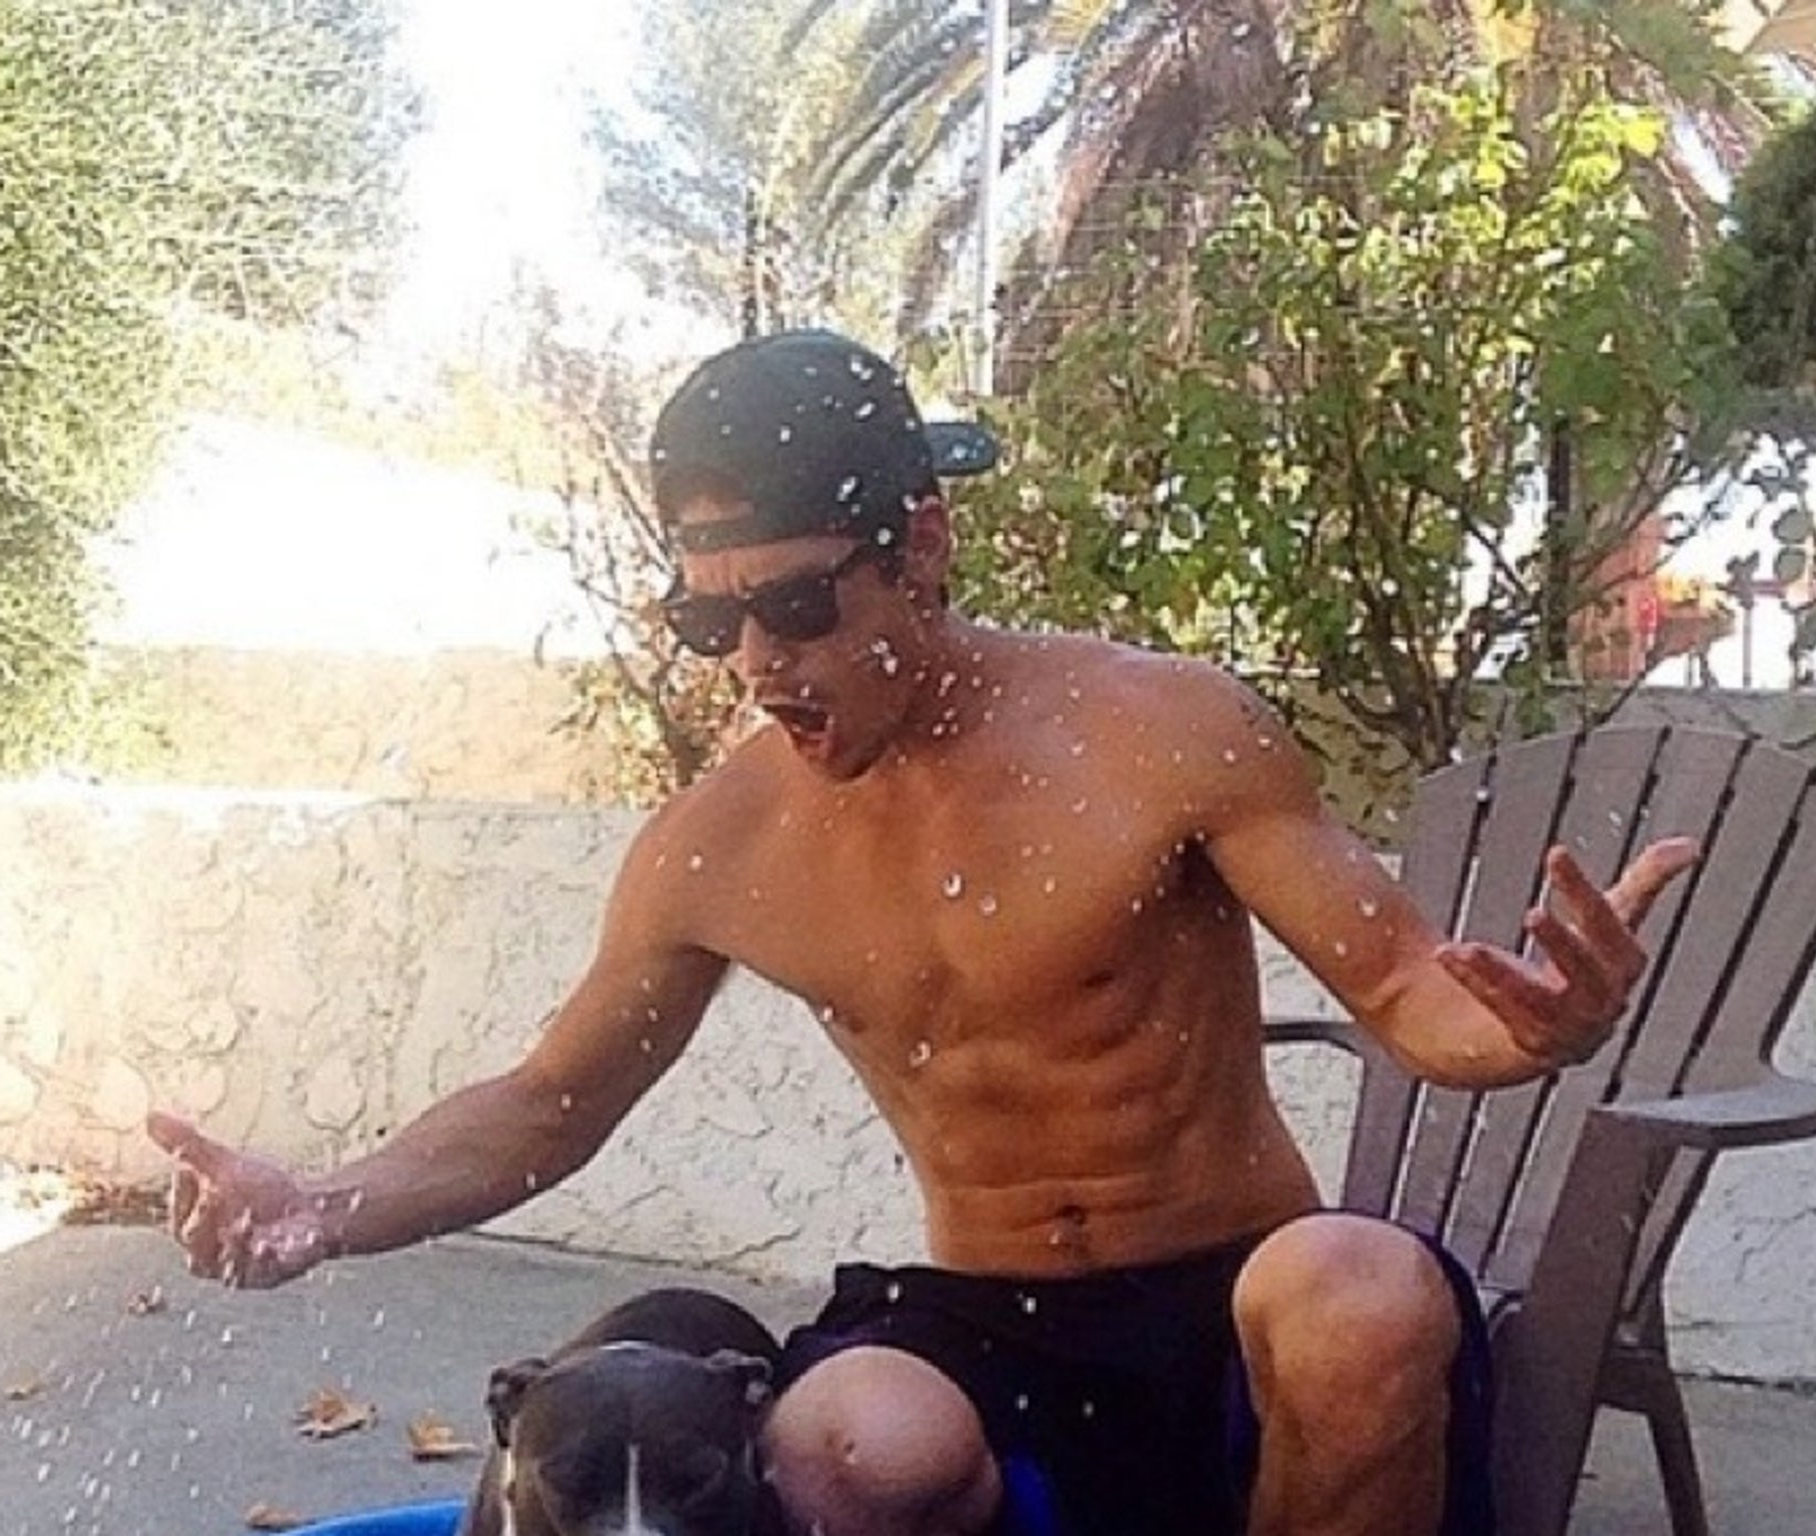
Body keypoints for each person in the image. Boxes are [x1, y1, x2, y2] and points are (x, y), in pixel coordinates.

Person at [149, 328, 1697, 1536]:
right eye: (711, 620)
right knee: (845, 1448)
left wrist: (1531, 1024)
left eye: (799, 607)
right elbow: (551, 1105)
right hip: (987, 1320)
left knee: (1359, 1293)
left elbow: (1407, 987)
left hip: (1231, 1291)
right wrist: (326, 1204)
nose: (759, 661)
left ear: (924, 547)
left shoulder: (1159, 733)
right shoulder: (722, 843)